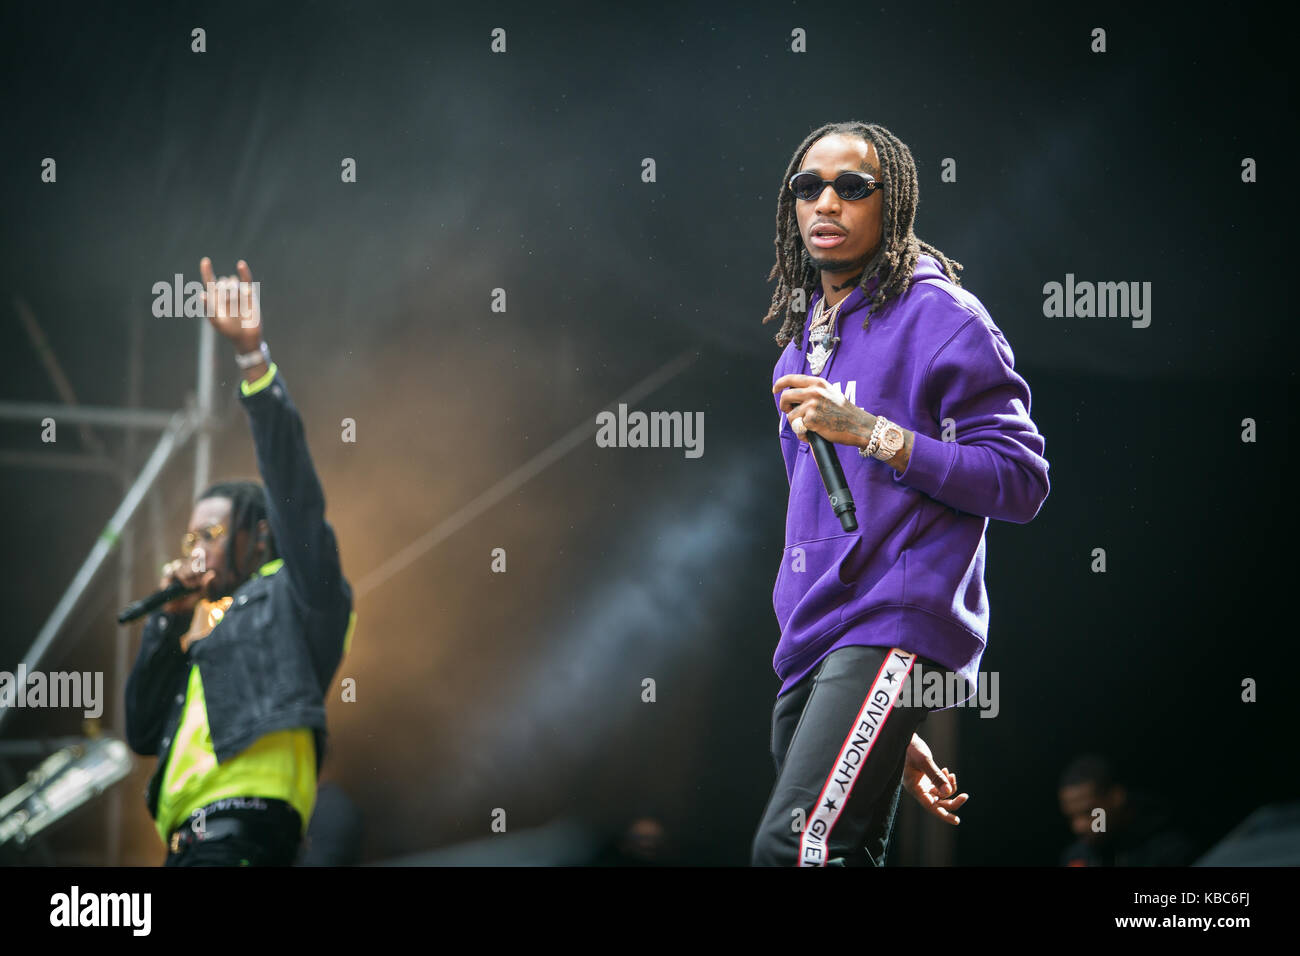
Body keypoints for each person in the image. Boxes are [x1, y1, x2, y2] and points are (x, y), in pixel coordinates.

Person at [751, 121, 1050, 866]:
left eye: (852, 187)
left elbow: (1020, 482)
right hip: (815, 643)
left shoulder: (942, 316)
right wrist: (881, 725)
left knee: (795, 851)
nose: (827, 201)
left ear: (893, 207)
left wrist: (873, 432)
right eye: (808, 186)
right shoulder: (799, 345)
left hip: (894, 616)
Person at [125, 258, 355, 866]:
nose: (194, 546)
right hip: (187, 850)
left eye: (211, 532)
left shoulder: (295, 596)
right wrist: (169, 622)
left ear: (258, 538)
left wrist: (252, 361)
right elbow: (142, 732)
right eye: (188, 535)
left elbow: (296, 499)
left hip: (242, 841)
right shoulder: (205, 631)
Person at [1058, 754, 1197, 866]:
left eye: (1089, 812)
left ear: (1116, 797)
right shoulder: (1076, 857)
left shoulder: (1168, 848)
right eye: (1071, 817)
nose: (1079, 826)